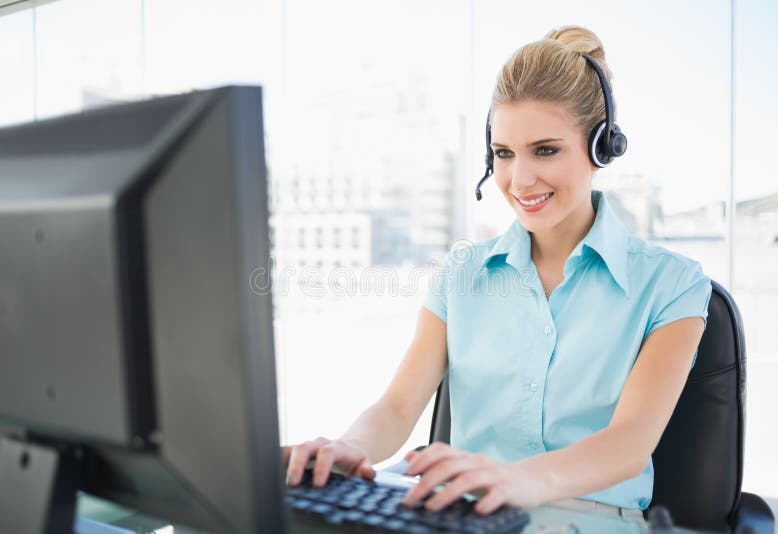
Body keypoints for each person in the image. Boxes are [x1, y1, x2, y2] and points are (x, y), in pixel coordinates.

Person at [282, 25, 712, 523]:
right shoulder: (461, 274)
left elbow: (629, 442)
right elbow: (398, 407)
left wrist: (520, 480)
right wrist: (348, 447)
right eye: (504, 154)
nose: (519, 180)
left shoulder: (672, 285)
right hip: (466, 518)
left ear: (601, 148)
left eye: (545, 150)